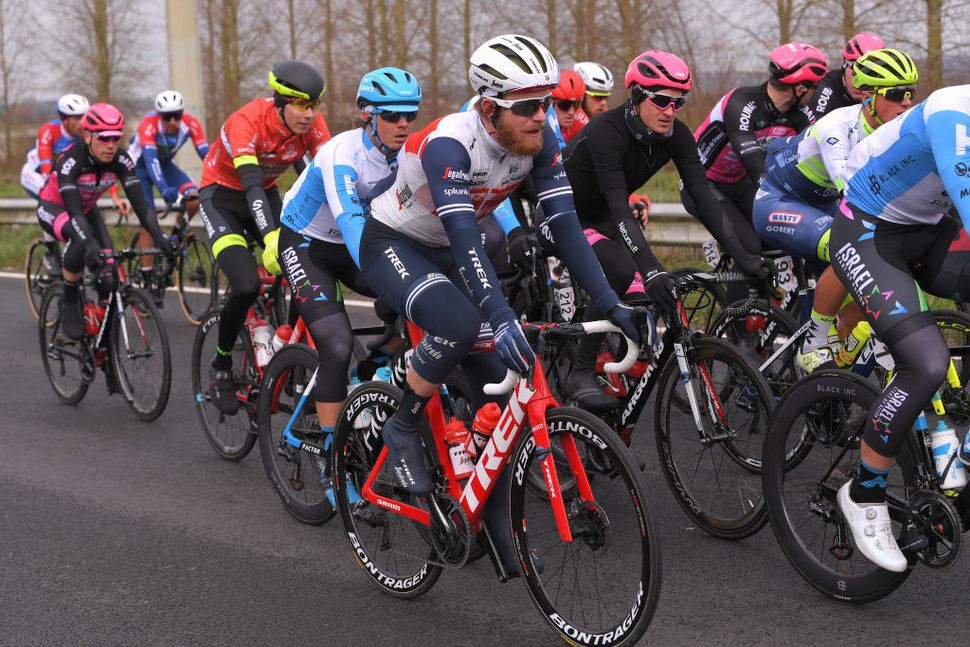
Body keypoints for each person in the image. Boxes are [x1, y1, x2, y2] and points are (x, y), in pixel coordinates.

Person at [359, 33, 642, 575]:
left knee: (500, 381)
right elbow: (466, 239)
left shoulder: (541, 140)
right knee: (464, 325)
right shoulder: (450, 144)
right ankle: (402, 422)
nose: (544, 116)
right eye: (529, 106)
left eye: (549, 101)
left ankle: (475, 504)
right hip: (396, 244)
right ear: (490, 109)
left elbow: (567, 230)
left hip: (449, 250)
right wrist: (499, 314)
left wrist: (611, 303)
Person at [562, 49, 774, 408]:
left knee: (646, 296)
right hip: (567, 216)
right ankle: (581, 369)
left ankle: (624, 378)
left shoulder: (677, 135)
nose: (670, 111)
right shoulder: (607, 131)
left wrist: (745, 257)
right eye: (661, 100)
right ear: (637, 96)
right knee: (620, 269)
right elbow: (617, 206)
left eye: (679, 102)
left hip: (606, 218)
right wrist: (652, 266)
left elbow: (704, 199)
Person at [829, 84, 970, 572]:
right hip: (868, 233)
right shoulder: (954, 113)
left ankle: (952, 430)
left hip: (930, 230)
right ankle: (864, 492)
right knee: (927, 364)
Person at [269, 66, 422, 505]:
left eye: (410, 114)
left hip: (355, 243)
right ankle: (333, 460)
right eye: (392, 116)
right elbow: (352, 223)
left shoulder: (408, 151)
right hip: (307, 245)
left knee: (419, 302)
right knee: (335, 346)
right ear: (367, 116)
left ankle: (367, 375)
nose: (403, 124)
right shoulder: (342, 153)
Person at [752, 48, 918, 371]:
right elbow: (854, 195)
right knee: (851, 248)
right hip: (778, 201)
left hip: (821, 206)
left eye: (911, 93)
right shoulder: (838, 129)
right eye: (897, 94)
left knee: (867, 284)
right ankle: (814, 342)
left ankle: (832, 372)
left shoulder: (894, 130)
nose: (907, 102)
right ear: (869, 97)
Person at [199, 61, 331, 415]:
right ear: (280, 102)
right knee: (244, 285)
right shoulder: (247, 122)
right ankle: (222, 365)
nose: (310, 114)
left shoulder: (311, 124)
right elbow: (251, 185)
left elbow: (329, 171)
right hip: (224, 198)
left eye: (315, 105)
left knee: (304, 267)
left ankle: (286, 343)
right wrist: (271, 237)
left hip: (266, 194)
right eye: (302, 105)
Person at [35, 103, 172, 342]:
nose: (111, 144)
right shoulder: (70, 160)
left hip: (86, 212)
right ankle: (68, 299)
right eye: (104, 137)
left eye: (116, 138)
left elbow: (142, 207)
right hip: (55, 208)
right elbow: (75, 213)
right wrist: (89, 245)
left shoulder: (121, 160)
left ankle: (106, 353)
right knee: (81, 239)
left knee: (109, 278)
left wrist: (161, 239)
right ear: (87, 136)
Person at [687, 43, 826, 228]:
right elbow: (757, 169)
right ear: (800, 89)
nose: (815, 95)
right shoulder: (741, 102)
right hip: (706, 183)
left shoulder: (800, 114)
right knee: (750, 248)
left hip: (741, 182)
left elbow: (817, 150)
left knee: (775, 238)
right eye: (814, 88)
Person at [22, 94, 129, 273]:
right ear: (64, 120)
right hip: (36, 173)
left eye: (85, 116)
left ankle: (71, 249)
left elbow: (104, 172)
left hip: (61, 175)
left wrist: (115, 196)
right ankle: (50, 251)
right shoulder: (49, 130)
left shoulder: (86, 135)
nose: (83, 121)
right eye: (78, 118)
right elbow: (47, 166)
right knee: (48, 194)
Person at [128, 90, 209, 287]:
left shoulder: (191, 124)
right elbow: (150, 161)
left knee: (194, 198)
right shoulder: (148, 125)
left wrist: (222, 180)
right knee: (148, 221)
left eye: (177, 116)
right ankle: (147, 277)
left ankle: (174, 236)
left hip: (165, 166)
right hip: (140, 169)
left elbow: (207, 156)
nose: (173, 121)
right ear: (159, 116)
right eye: (167, 117)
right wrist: (164, 188)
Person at [805, 32, 885, 122]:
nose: (859, 82)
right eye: (854, 72)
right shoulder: (826, 89)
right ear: (844, 66)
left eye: (869, 75)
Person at [552, 69, 587, 142]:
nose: (571, 112)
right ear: (550, 104)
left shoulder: (580, 119)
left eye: (576, 105)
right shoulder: (539, 122)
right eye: (565, 105)